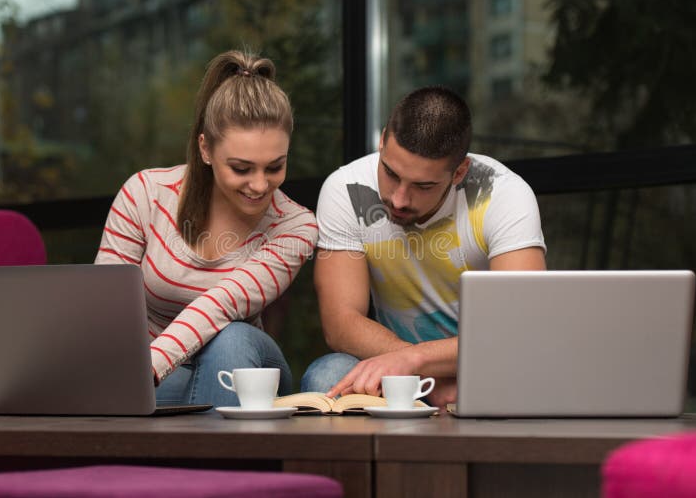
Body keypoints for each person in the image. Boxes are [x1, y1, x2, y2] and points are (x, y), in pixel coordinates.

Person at [301, 86, 546, 411]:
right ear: (383, 139)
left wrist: (417, 360)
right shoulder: (348, 190)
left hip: (491, 367)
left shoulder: (501, 196)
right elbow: (341, 324)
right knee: (327, 375)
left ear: (460, 172)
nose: (399, 198)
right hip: (396, 371)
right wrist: (418, 368)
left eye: (423, 186)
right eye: (390, 173)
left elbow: (518, 328)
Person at [95, 50, 318, 408]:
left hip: (244, 368)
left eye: (275, 166)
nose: (260, 185)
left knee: (230, 338)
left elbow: (221, 303)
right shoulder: (145, 194)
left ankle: (215, 462)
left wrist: (143, 371)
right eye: (242, 168)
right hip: (152, 372)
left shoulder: (296, 227)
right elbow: (104, 307)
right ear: (206, 149)